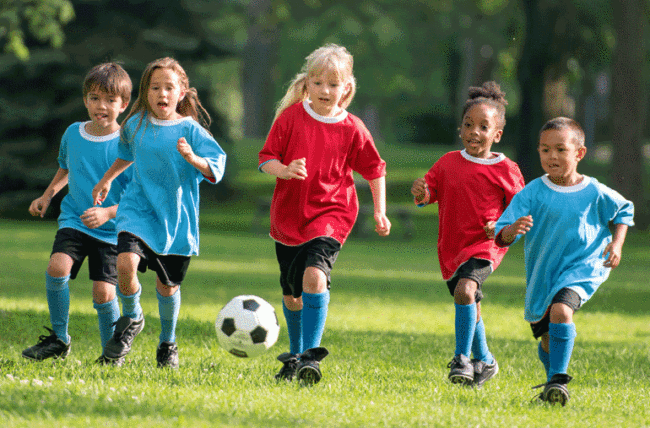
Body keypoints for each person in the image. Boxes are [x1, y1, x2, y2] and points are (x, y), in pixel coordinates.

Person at [258, 43, 391, 385]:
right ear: (307, 84)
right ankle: (295, 356)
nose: (325, 91)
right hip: (288, 217)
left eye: (333, 84)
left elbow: (375, 169)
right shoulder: (289, 119)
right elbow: (265, 160)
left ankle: (309, 357)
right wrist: (284, 170)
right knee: (292, 295)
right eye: (318, 83)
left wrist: (380, 211)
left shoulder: (352, 128)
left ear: (346, 87)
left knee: (314, 277)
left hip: (333, 213)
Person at [91, 57, 226, 368]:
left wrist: (195, 160)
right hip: (137, 209)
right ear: (146, 92)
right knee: (124, 264)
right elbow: (126, 154)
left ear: (181, 93)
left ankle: (167, 343)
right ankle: (133, 316)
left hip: (175, 220)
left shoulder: (190, 129)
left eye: (169, 87)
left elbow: (216, 165)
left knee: (167, 287)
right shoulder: (134, 125)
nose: (161, 93)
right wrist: (107, 179)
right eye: (155, 88)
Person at [494, 117, 634, 406]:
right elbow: (502, 234)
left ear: (579, 153)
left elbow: (623, 210)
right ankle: (552, 388)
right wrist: (511, 230)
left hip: (585, 267)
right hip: (544, 272)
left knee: (561, 310)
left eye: (560, 149)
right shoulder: (532, 192)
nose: (552, 156)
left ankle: (558, 380)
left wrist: (616, 244)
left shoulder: (594, 191)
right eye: (545, 150)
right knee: (546, 336)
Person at [411, 81, 525, 387]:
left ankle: (461, 359)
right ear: (460, 129)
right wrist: (421, 192)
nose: (474, 131)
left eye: (483, 127)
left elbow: (522, 208)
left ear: (496, 135)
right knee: (468, 300)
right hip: (451, 247)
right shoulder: (448, 163)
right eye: (468, 124)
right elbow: (428, 193)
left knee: (465, 291)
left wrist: (503, 226)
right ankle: (485, 360)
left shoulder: (506, 169)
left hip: (486, 245)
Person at [21, 63, 132, 365]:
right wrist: (47, 195)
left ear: (123, 105)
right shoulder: (73, 133)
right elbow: (66, 168)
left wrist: (109, 212)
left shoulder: (128, 144)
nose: (101, 106)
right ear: (85, 100)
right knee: (58, 267)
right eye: (95, 98)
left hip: (111, 231)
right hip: (75, 219)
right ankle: (59, 339)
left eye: (110, 100)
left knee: (103, 293)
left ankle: (112, 353)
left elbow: (138, 199)